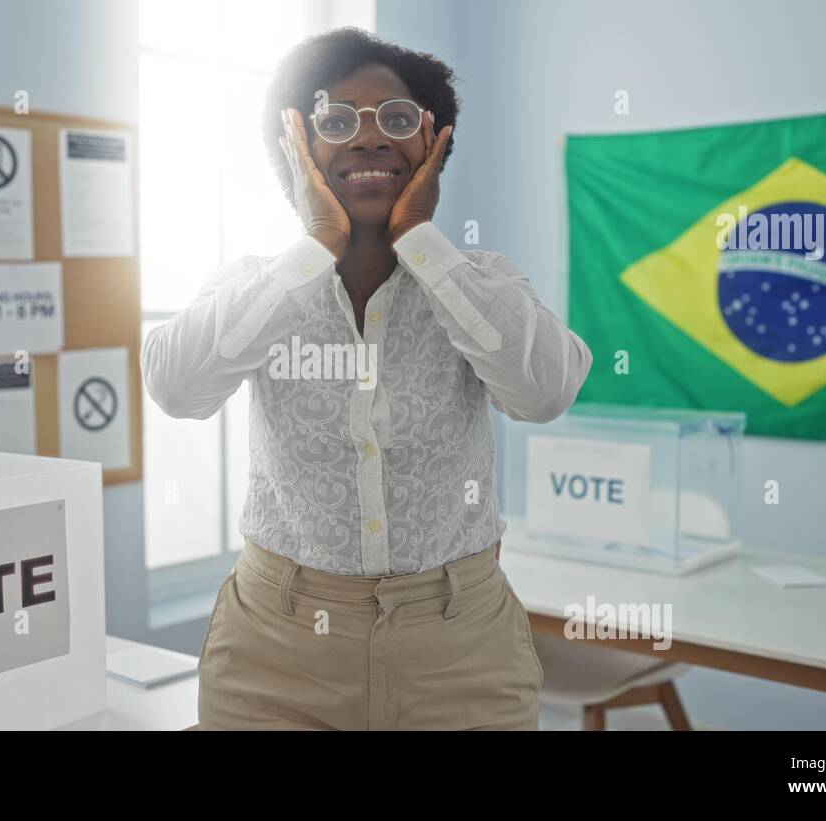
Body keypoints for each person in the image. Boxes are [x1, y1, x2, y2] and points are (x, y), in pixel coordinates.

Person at [142, 27, 592, 730]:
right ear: (295, 149)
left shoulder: (482, 282)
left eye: (398, 120)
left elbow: (544, 392)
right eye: (335, 121)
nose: (369, 138)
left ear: (434, 144)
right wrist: (317, 243)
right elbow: (176, 386)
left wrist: (420, 241)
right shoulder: (256, 288)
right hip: (275, 649)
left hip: (460, 648)